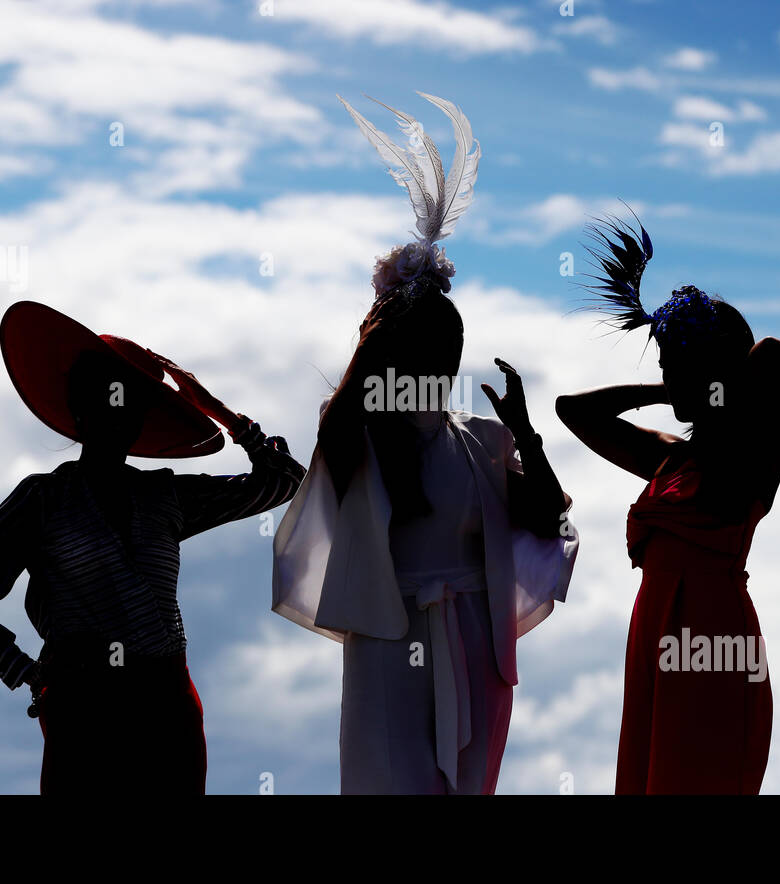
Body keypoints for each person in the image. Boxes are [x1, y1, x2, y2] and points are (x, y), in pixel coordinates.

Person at [272, 93, 579, 794]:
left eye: (452, 346)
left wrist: (529, 434)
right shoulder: (357, 432)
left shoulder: (483, 441)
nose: (444, 362)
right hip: (389, 646)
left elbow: (547, 519)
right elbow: (342, 420)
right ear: (396, 354)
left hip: (473, 643)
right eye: (431, 346)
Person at [0, 300, 305, 795]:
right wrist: (26, 673)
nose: (117, 413)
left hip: (168, 712)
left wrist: (224, 415)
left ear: (141, 420)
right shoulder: (41, 501)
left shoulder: (167, 496)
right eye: (106, 398)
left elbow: (282, 480)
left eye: (129, 403)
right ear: (79, 408)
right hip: (83, 713)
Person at [555, 214, 780, 794]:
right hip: (653, 638)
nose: (663, 371)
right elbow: (574, 410)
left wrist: (706, 376)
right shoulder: (671, 460)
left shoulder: (751, 458)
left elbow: (771, 361)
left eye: (670, 362)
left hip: (715, 643)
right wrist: (669, 390)